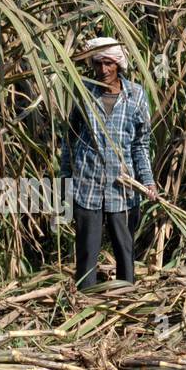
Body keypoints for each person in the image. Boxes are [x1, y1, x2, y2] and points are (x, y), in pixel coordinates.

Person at [60, 36, 158, 287]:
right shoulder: (83, 92)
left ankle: (127, 300)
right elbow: (70, 139)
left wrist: (147, 182)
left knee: (125, 251)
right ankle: (85, 303)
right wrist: (65, 179)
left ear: (119, 65)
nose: (103, 70)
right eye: (98, 63)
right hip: (86, 186)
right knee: (86, 253)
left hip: (123, 189)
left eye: (109, 63)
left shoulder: (136, 96)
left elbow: (140, 146)